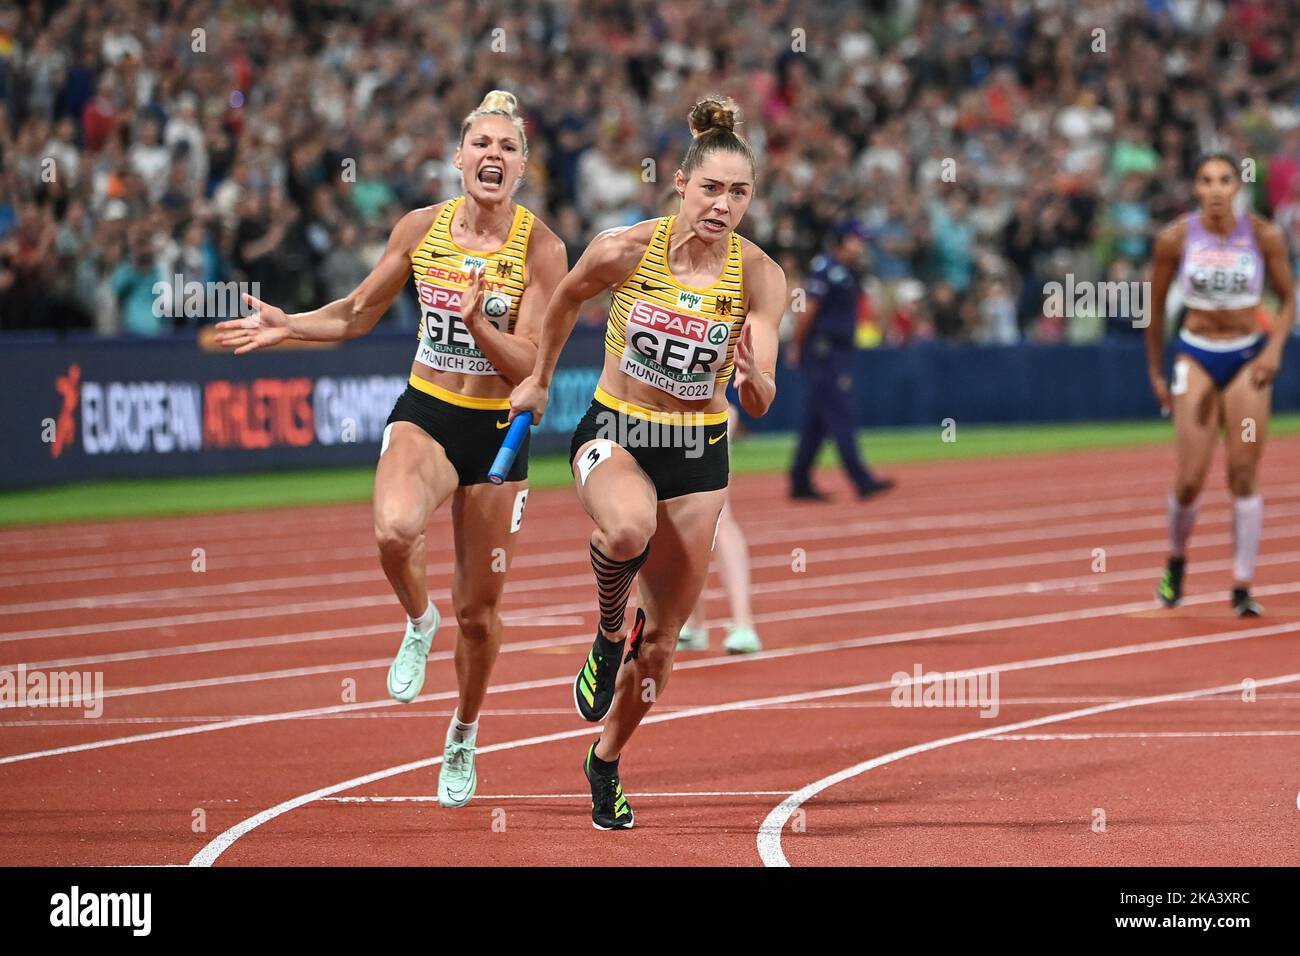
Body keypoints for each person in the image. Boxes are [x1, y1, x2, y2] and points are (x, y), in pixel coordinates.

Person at [214, 90, 567, 806]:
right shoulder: (419, 228)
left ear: (523, 166)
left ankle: (464, 732)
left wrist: (477, 324)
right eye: (481, 144)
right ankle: (416, 619)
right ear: (459, 156)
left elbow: (529, 366)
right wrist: (291, 327)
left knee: (480, 611)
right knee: (394, 529)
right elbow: (355, 311)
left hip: (499, 433)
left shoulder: (543, 248)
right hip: (429, 412)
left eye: (507, 147)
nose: (492, 156)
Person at [509, 97, 785, 829]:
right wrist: (537, 379)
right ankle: (606, 629)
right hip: (619, 430)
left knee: (661, 647)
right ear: (680, 184)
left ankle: (604, 763)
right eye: (710, 189)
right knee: (626, 532)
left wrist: (754, 379)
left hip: (699, 451)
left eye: (739, 192)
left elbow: (761, 398)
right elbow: (564, 299)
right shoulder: (624, 249)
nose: (723, 205)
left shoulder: (759, 276)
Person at [1146, 152, 1294, 616]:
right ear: (1194, 187)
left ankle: (1242, 585)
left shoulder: (1264, 235)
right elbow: (1151, 309)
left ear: (1237, 186)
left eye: (1224, 180)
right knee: (1190, 479)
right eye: (1206, 180)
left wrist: (1273, 350)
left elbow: (1290, 298)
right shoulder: (1174, 238)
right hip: (1197, 353)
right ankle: (1176, 561)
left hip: (1247, 355)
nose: (1215, 189)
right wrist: (1155, 370)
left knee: (1243, 473)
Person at [788, 221, 894, 502]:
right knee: (840, 414)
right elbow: (809, 309)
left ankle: (799, 480)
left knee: (817, 421)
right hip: (824, 354)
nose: (860, 245)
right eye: (856, 240)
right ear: (842, 240)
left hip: (837, 352)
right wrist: (797, 346)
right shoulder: (826, 269)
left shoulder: (848, 272)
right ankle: (862, 480)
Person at [677, 405, 762, 653]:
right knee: (676, 519)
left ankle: (744, 623)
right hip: (658, 418)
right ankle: (692, 624)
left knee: (720, 515)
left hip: (705, 415)